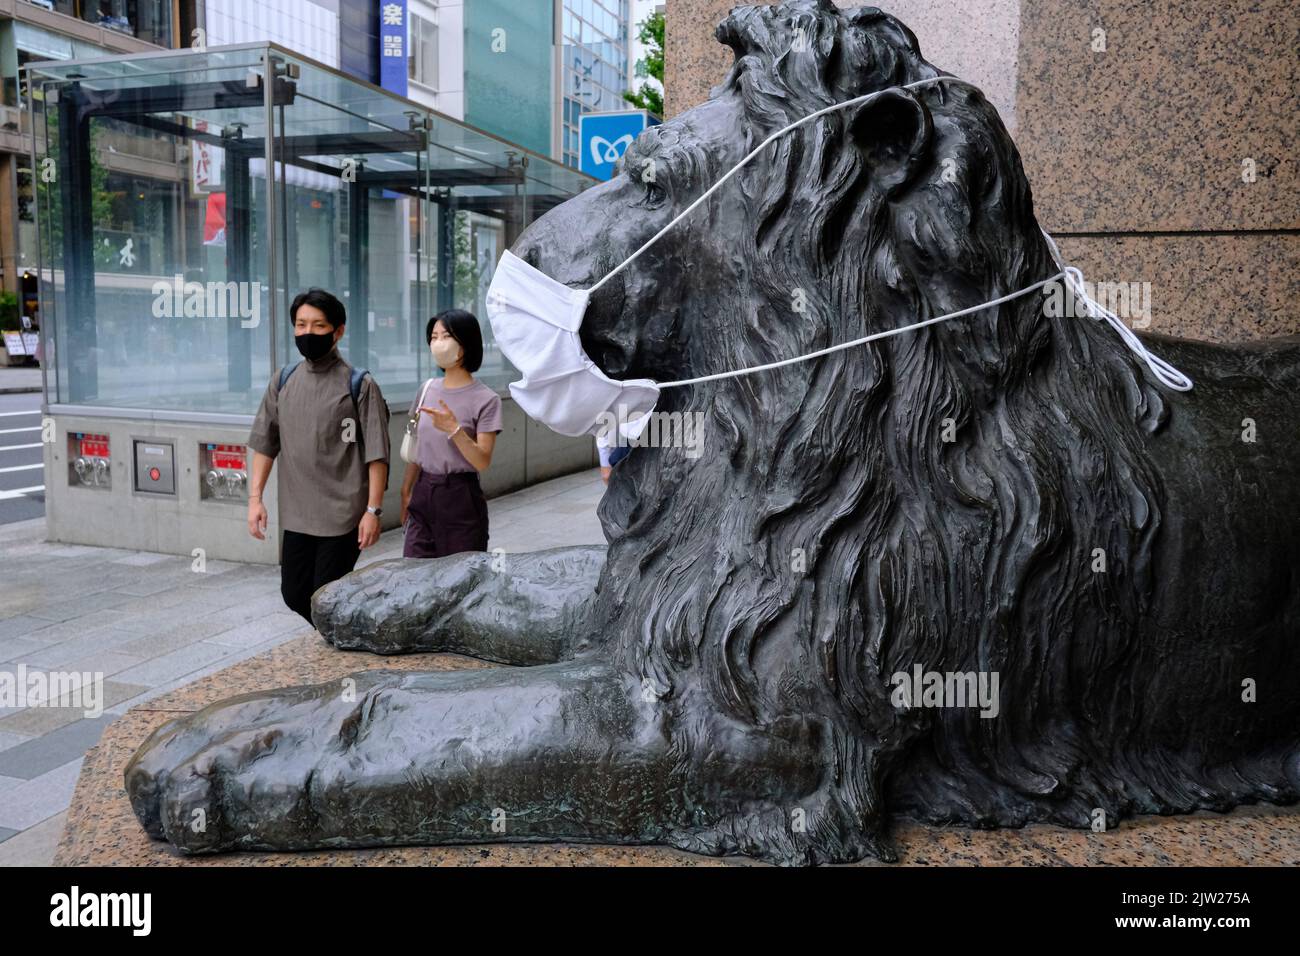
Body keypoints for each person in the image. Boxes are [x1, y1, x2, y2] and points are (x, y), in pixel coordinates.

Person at [246, 288, 391, 624]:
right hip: (297, 514)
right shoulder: (283, 381)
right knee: (294, 593)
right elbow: (265, 443)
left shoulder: (359, 384)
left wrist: (372, 510)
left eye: (318, 325)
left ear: (338, 331)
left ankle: (346, 640)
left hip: (342, 515)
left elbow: (377, 455)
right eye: (300, 325)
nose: (308, 333)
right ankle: (356, 630)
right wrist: (255, 499)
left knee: (326, 594)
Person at [400, 309, 502, 558]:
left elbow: (482, 460)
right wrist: (406, 492)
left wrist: (454, 430)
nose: (437, 343)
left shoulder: (486, 399)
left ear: (465, 342)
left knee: (458, 581)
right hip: (423, 491)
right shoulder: (426, 389)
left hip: (460, 496)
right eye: (433, 337)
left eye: (445, 336)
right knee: (413, 575)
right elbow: (416, 447)